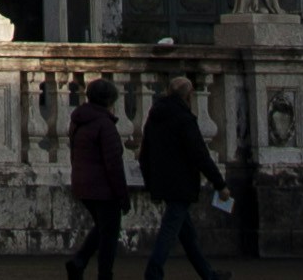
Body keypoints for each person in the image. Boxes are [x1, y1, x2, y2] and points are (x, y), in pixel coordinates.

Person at [136, 74, 226, 280]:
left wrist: (150, 180)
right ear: (189, 96)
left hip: (162, 180)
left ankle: (207, 274)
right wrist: (220, 184)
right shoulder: (184, 119)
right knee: (169, 231)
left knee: (187, 234)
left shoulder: (155, 115)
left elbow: (145, 152)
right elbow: (200, 155)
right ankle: (153, 272)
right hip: (182, 182)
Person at [67, 76, 129, 280]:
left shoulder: (79, 120)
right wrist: (122, 195)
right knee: (109, 234)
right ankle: (103, 274)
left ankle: (79, 261)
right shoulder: (105, 124)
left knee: (103, 228)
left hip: (83, 183)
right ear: (110, 101)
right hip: (104, 188)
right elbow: (113, 164)